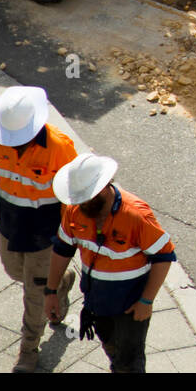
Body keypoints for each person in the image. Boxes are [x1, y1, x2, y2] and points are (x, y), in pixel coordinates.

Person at [0, 86, 79, 372]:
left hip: (45, 232)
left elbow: (74, 192)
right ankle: (63, 282)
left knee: (34, 292)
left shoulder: (60, 147)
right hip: (8, 222)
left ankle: (29, 348)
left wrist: (71, 234)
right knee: (15, 272)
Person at [45, 154, 176, 373]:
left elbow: (163, 257)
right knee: (110, 346)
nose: (82, 203)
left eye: (88, 197)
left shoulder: (136, 215)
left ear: (105, 186)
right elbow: (62, 250)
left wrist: (146, 301)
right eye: (79, 198)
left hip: (131, 304)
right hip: (97, 300)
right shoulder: (74, 211)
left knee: (129, 361)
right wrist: (50, 291)